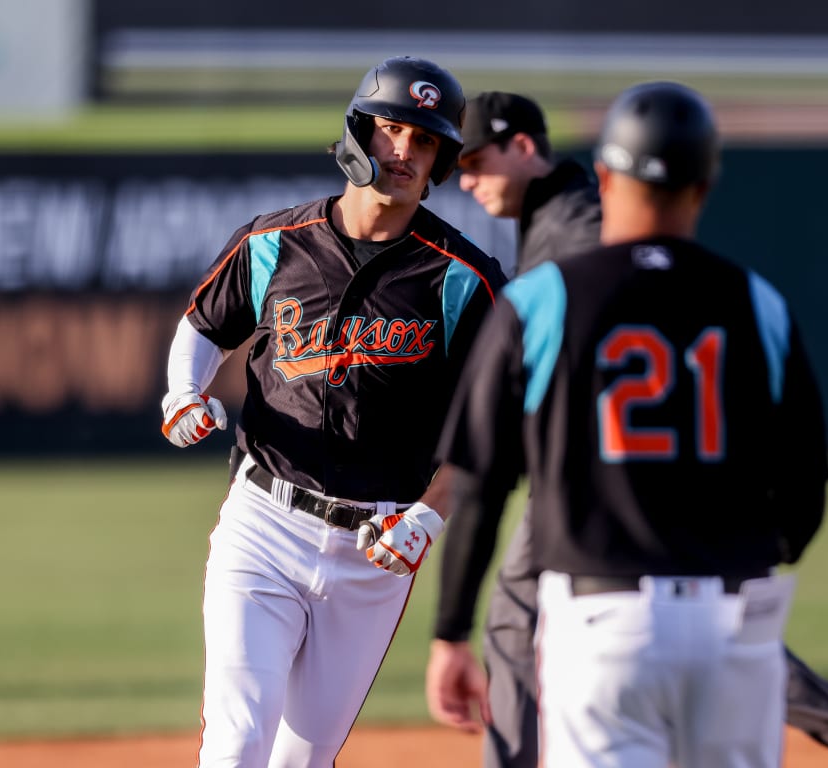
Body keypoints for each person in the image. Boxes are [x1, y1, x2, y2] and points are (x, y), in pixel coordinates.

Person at [426, 82, 828, 768]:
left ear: (605, 178)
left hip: (601, 570)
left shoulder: (562, 265)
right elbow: (804, 485)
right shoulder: (755, 297)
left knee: (515, 616)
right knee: (648, 606)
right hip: (726, 611)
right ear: (704, 186)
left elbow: (484, 476)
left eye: (473, 161)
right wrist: (748, 553)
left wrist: (447, 632)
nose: (466, 179)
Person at [158, 55, 508, 768]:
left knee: (301, 761)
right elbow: (204, 326)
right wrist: (183, 391)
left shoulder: (463, 278)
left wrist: (431, 514)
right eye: (391, 128)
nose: (404, 150)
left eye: (425, 139)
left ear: (442, 160)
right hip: (264, 524)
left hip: (376, 548)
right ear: (358, 132)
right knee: (237, 743)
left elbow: (493, 425)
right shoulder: (273, 243)